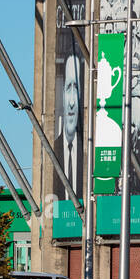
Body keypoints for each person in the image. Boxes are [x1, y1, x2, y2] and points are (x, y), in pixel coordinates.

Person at [55, 51, 82, 195]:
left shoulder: (89, 152)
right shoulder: (52, 151)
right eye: (68, 88)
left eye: (76, 88)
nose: (72, 102)